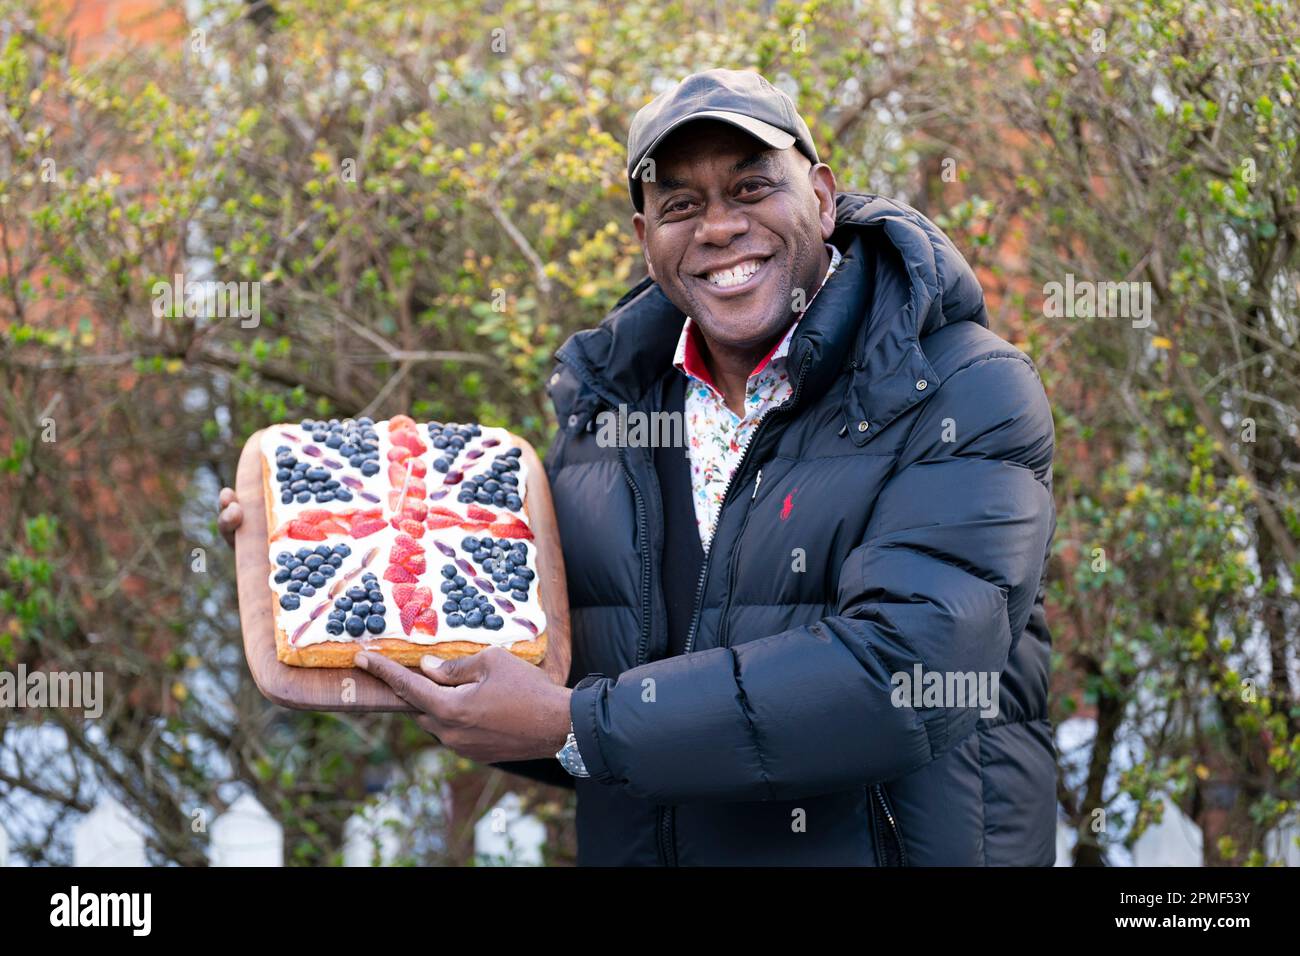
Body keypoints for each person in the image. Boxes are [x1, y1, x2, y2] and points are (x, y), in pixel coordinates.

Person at [219, 68, 1057, 866]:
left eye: (752, 187)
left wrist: (578, 722)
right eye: (680, 203)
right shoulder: (608, 421)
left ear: (824, 196)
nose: (719, 226)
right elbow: (566, 711)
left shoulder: (962, 389)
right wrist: (307, 548)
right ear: (645, 238)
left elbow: (902, 674)